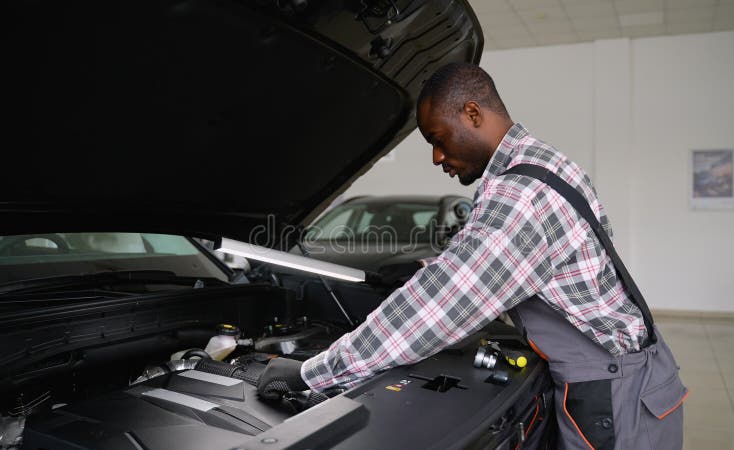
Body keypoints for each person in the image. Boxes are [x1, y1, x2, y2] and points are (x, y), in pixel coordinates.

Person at [258, 63, 687, 449]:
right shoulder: (541, 162)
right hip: (629, 376)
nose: (436, 157)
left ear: (473, 114)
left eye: (438, 139)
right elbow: (504, 258)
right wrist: (421, 268)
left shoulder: (519, 195)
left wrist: (311, 372)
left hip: (612, 398)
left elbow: (437, 308)